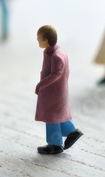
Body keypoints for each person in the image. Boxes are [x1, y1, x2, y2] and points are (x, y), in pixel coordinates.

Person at [34, 25, 83, 155]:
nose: (37, 40)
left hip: (54, 92)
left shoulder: (57, 56)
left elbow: (57, 74)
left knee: (52, 117)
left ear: (46, 40)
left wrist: (41, 85)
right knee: (58, 114)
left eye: (39, 38)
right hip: (55, 91)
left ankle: (55, 144)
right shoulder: (55, 53)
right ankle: (72, 132)